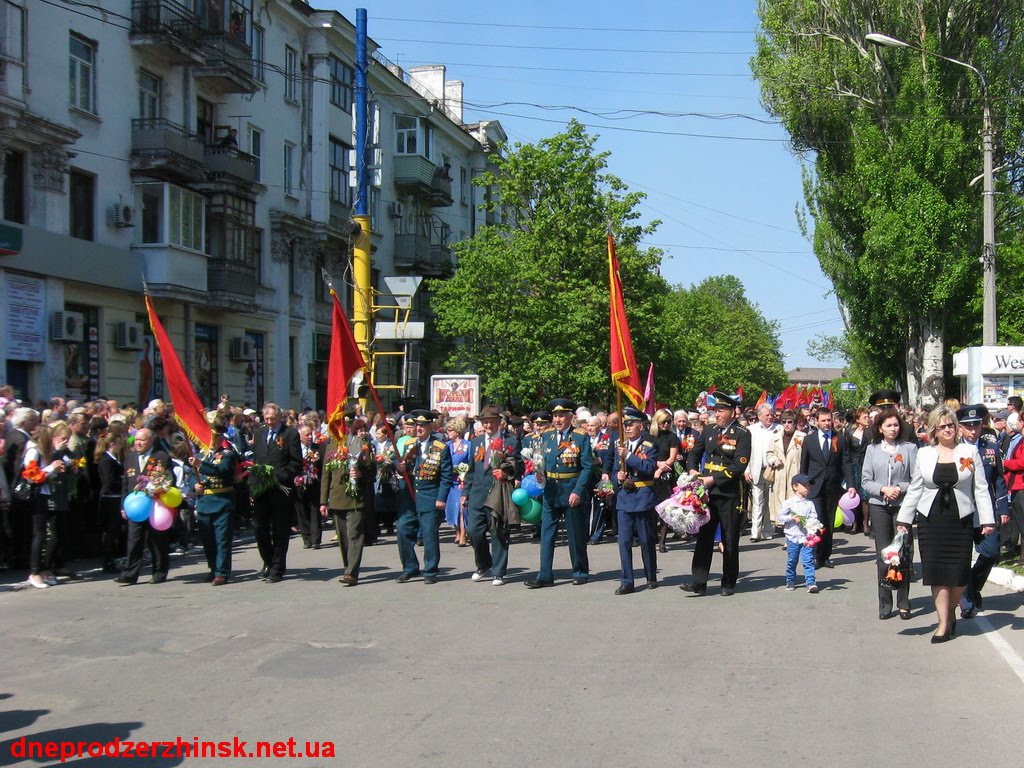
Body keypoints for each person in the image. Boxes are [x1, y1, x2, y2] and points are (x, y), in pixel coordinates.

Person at [897, 406, 995, 643]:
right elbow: (916, 488)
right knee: (938, 574)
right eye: (942, 426)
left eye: (951, 425)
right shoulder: (924, 454)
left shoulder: (969, 451)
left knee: (958, 575)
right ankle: (943, 623)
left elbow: (980, 488)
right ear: (934, 430)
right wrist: (904, 519)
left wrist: (987, 519)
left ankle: (950, 611)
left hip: (960, 520)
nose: (948, 430)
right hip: (931, 520)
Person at [681, 393, 751, 596]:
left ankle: (728, 582)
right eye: (716, 411)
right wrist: (692, 470)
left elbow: (738, 465)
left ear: (732, 413)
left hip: (728, 492)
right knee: (704, 537)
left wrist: (713, 479)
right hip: (707, 492)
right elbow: (694, 453)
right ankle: (698, 581)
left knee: (729, 539)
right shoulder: (710, 430)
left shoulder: (742, 434)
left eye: (721, 411)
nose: (717, 414)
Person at [526, 398, 594, 588]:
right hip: (551, 490)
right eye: (555, 416)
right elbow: (541, 460)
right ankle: (545, 575)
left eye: (561, 416)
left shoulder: (580, 436)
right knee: (547, 534)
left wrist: (578, 491)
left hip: (571, 489)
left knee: (575, 535)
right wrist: (539, 474)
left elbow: (587, 467)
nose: (557, 419)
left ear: (570, 417)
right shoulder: (546, 435)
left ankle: (580, 571)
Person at [861, 409, 918, 620]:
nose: (893, 429)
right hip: (879, 506)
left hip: (902, 506)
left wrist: (899, 488)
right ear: (880, 428)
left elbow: (916, 479)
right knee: (884, 555)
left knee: (902, 553)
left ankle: (904, 602)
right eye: (888, 425)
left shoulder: (910, 448)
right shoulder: (872, 449)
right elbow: (866, 481)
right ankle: (885, 603)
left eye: (896, 425)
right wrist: (883, 489)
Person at [957, 405, 1008, 619]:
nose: (973, 430)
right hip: (961, 509)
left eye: (976, 425)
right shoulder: (954, 448)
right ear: (960, 428)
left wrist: (1002, 508)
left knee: (991, 552)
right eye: (968, 426)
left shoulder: (990, 447)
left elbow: (999, 479)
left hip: (985, 509)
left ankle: (972, 585)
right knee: (962, 555)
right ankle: (967, 600)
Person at [462, 405, 520, 585]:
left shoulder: (510, 441)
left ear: (499, 422)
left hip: (498, 493)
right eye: (485, 422)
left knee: (498, 532)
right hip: (477, 493)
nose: (488, 425)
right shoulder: (476, 442)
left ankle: (498, 571)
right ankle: (483, 564)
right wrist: (465, 492)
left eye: (492, 421)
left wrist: (507, 472)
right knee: (474, 531)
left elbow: (519, 465)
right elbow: (471, 470)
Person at [395, 410, 453, 584]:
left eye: (422, 425)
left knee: (428, 535)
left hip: (429, 496)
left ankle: (430, 570)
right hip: (409, 496)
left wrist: (441, 498)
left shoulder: (440, 447)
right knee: (403, 530)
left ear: (430, 426)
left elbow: (446, 475)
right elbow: (397, 463)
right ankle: (410, 567)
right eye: (416, 425)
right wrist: (399, 467)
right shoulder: (409, 444)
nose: (418, 428)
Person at [250, 403, 302, 583]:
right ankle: (269, 560)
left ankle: (277, 568)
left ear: (279, 417)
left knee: (280, 530)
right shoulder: (259, 433)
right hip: (261, 489)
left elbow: (296, 463)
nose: (269, 422)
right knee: (259, 527)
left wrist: (278, 475)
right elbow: (256, 460)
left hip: (281, 490)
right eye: (266, 419)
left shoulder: (290, 434)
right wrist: (254, 484)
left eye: (272, 418)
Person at [799, 406, 855, 569]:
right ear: (816, 422)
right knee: (817, 520)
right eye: (823, 420)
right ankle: (817, 555)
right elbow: (804, 464)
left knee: (829, 521)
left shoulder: (840, 439)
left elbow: (846, 462)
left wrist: (851, 484)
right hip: (814, 486)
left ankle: (826, 556)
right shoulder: (809, 440)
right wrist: (802, 484)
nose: (826, 423)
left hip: (832, 486)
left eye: (829, 420)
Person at [610, 407, 659, 594]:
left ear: (641, 425)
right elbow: (614, 470)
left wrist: (628, 456)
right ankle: (627, 581)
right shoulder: (620, 444)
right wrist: (618, 478)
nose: (627, 428)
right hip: (624, 498)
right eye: (625, 425)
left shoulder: (650, 444)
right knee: (623, 542)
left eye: (631, 424)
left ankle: (651, 575)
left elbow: (648, 467)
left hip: (643, 496)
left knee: (646, 540)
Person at [115, 428, 171, 585]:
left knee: (157, 540)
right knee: (134, 539)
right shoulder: (130, 457)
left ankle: (159, 572)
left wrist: (156, 486)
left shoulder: (162, 456)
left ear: (151, 440)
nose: (138, 443)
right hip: (135, 506)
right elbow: (125, 484)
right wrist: (123, 506)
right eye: (137, 440)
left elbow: (168, 479)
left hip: (155, 505)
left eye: (142, 440)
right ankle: (129, 574)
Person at [320, 429, 374, 586]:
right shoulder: (331, 447)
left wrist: (361, 473)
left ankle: (351, 572)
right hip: (337, 497)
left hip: (356, 498)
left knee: (355, 534)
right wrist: (323, 501)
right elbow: (326, 475)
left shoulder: (362, 445)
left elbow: (372, 470)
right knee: (343, 536)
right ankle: (348, 567)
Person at [190, 412, 237, 585]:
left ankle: (222, 572)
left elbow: (222, 471)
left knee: (222, 539)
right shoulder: (201, 456)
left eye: (215, 436)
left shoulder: (227, 454)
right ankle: (213, 568)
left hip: (222, 501)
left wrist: (200, 465)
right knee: (208, 541)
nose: (212, 440)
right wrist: (195, 486)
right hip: (204, 503)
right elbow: (193, 478)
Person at [20, 423, 68, 588]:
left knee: (50, 534)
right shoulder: (33, 451)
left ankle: (44, 568)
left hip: (46, 494)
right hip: (36, 496)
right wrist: (51, 468)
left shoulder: (45, 452)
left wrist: (56, 470)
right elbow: (32, 477)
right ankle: (34, 572)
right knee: (39, 534)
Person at [777, 473, 819, 593]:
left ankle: (811, 582)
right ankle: (790, 580)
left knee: (808, 560)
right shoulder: (789, 503)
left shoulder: (810, 504)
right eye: (805, 485)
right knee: (792, 560)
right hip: (793, 537)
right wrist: (791, 518)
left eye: (809, 485)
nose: (808, 488)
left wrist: (811, 524)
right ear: (795, 487)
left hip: (806, 537)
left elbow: (814, 517)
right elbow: (780, 516)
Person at [747, 404, 778, 542]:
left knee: (770, 502)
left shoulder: (779, 429)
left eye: (772, 414)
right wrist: (746, 470)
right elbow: (746, 452)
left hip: (773, 471)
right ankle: (755, 532)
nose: (770, 417)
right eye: (767, 415)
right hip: (756, 470)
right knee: (757, 501)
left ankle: (768, 530)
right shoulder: (751, 430)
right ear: (759, 416)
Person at [96, 432, 125, 573]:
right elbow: (109, 482)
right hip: (110, 498)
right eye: (119, 443)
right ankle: (108, 560)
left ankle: (115, 557)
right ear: (113, 444)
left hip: (115, 497)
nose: (121, 446)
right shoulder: (106, 460)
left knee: (116, 530)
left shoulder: (114, 459)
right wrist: (124, 482)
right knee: (110, 530)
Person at [294, 424, 324, 549]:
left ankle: (316, 540)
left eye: (310, 434)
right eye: (307, 435)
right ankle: (307, 539)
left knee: (315, 511)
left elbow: (321, 467)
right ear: (300, 436)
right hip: (299, 485)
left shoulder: (317, 449)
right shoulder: (295, 449)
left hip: (314, 484)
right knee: (302, 511)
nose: (310, 437)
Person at [444, 417, 470, 547]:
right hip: (450, 481)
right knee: (452, 508)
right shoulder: (446, 445)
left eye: (450, 430)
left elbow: (470, 463)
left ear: (458, 431)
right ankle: (457, 531)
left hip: (461, 482)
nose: (448, 432)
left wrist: (463, 471)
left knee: (462, 508)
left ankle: (464, 533)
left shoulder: (467, 445)